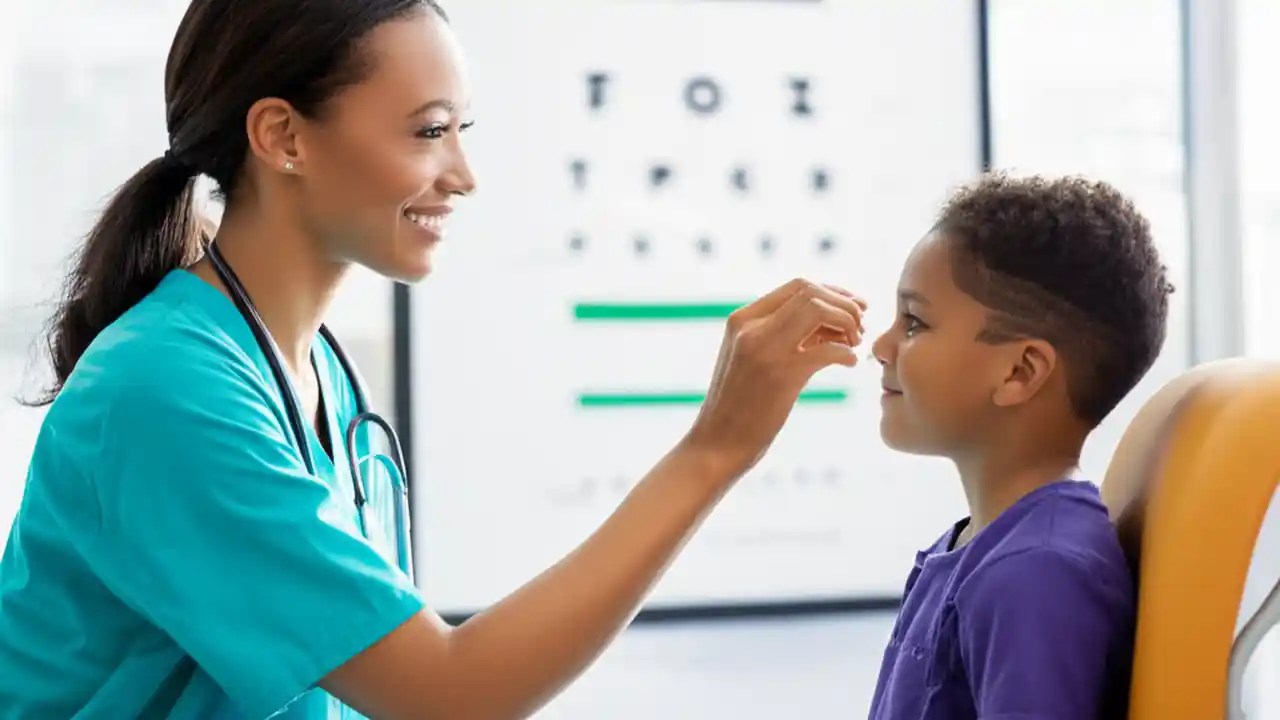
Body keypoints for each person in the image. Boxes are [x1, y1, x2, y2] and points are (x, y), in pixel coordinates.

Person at [0, 2, 867, 718]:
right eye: (428, 132)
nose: (463, 174)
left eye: (462, 131)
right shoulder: (167, 389)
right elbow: (447, 691)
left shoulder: (318, 376)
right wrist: (715, 450)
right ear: (283, 137)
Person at [866, 173, 1172, 719]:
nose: (881, 346)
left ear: (1020, 371)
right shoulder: (984, 546)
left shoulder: (1036, 575)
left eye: (914, 323)